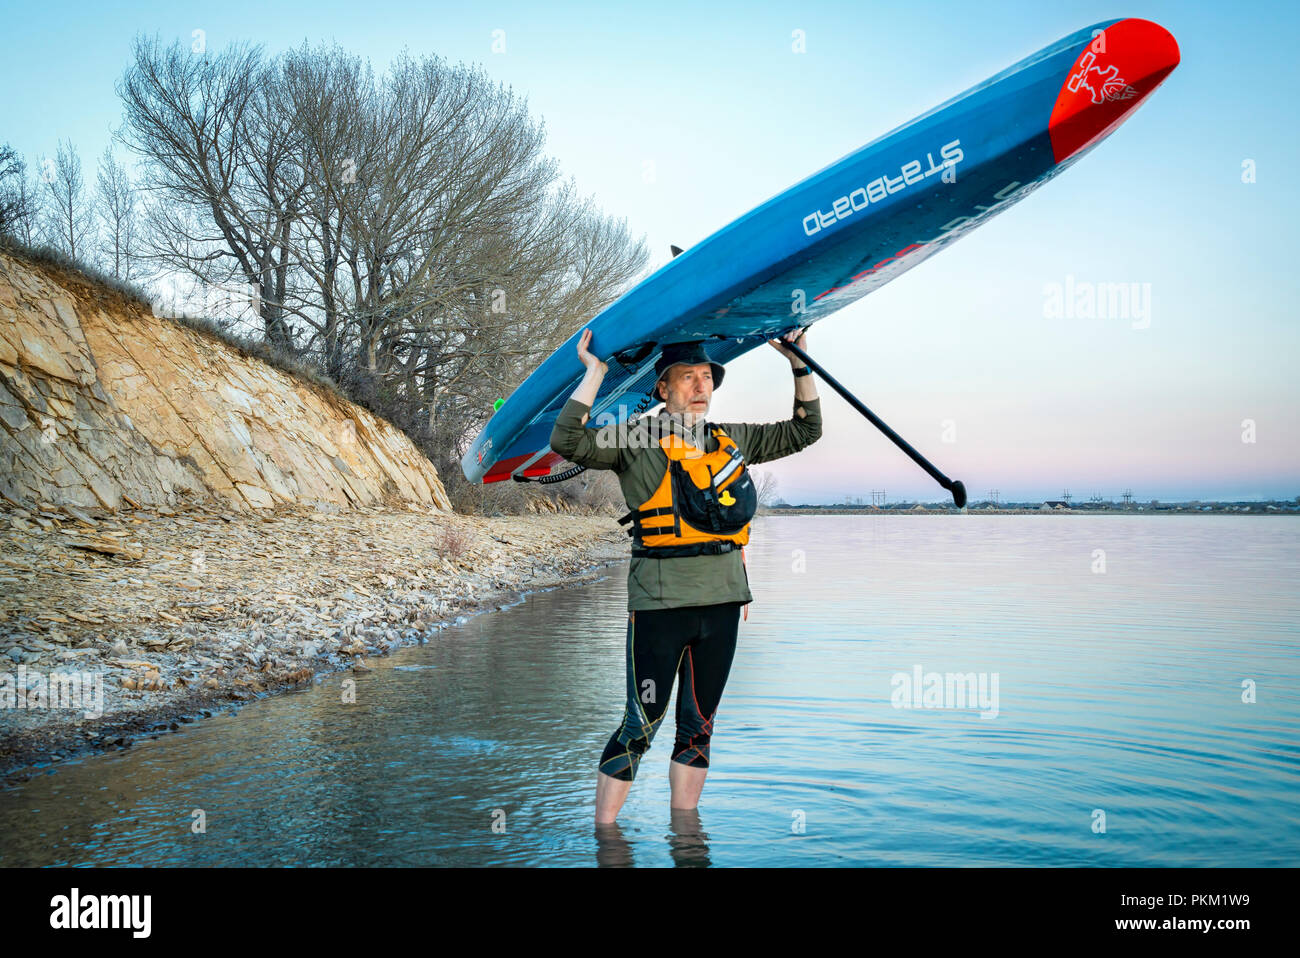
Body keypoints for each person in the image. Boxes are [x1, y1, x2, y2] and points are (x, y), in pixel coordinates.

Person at [549, 328, 822, 823]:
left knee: (698, 728)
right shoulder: (632, 441)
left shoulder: (732, 439)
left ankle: (686, 840)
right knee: (640, 727)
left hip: (722, 605)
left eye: (706, 377)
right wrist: (595, 374)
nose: (700, 386)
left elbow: (805, 430)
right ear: (662, 388)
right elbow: (566, 439)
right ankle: (606, 842)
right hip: (660, 605)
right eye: (687, 377)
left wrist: (798, 363)